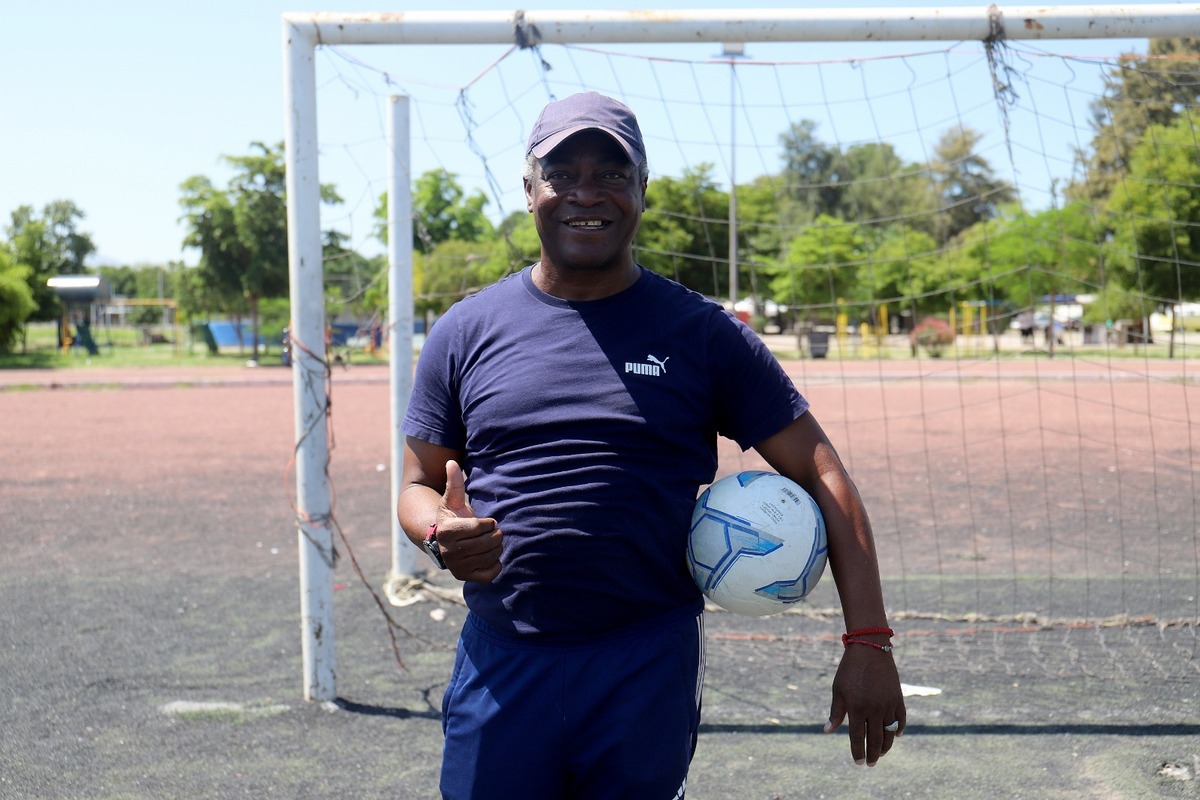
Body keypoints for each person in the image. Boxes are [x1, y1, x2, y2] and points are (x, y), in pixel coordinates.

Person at [397, 91, 905, 799]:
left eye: (611, 173)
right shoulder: (465, 330)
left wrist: (869, 642)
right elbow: (417, 480)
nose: (586, 193)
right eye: (562, 173)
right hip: (505, 656)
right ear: (528, 189)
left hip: (644, 661)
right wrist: (436, 530)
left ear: (642, 191)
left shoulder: (702, 333)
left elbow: (825, 475)